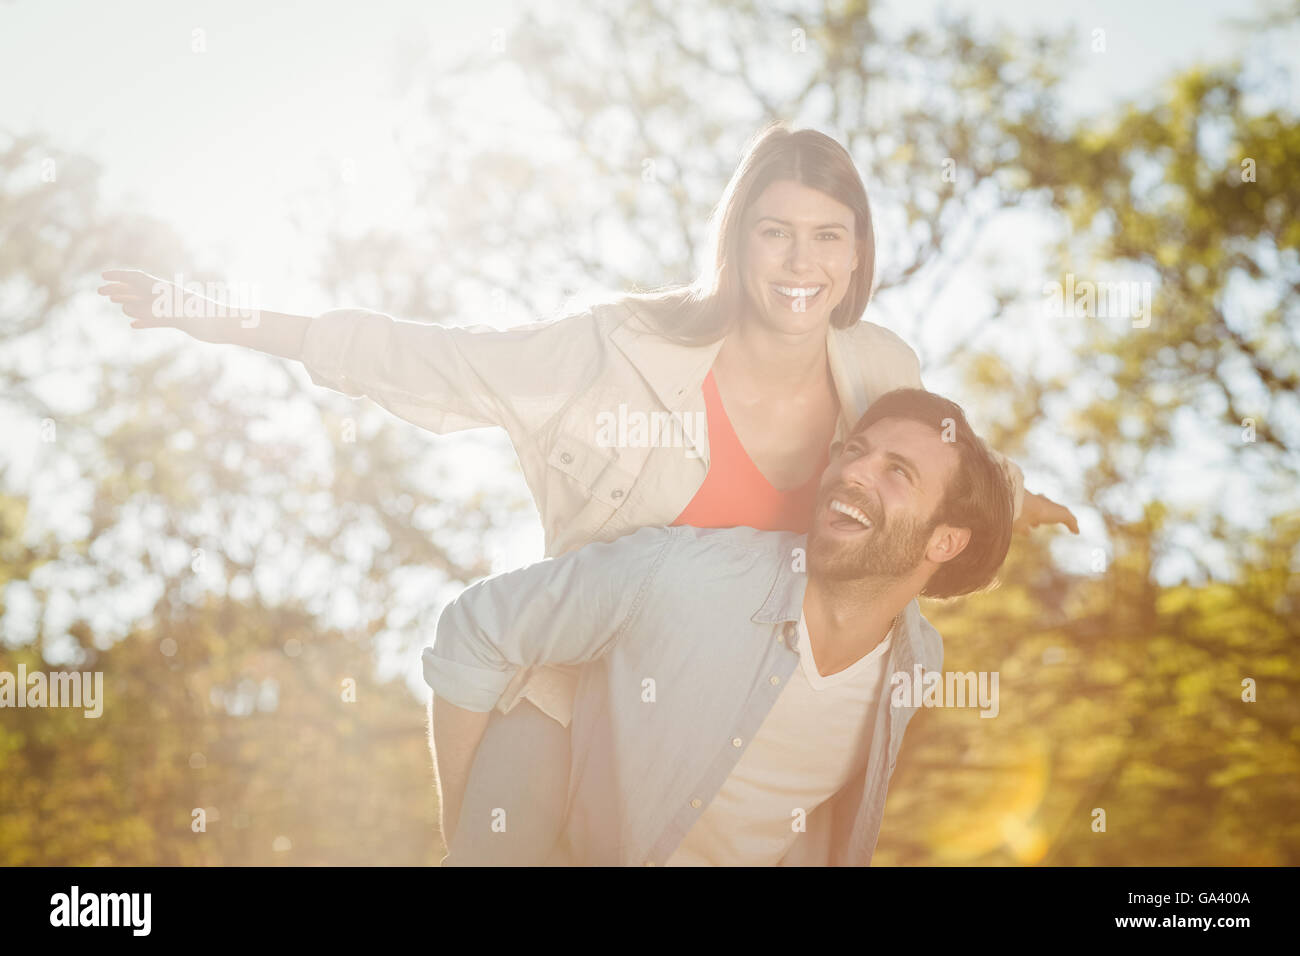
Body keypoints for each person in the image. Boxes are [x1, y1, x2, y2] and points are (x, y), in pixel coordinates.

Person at [98, 122, 1077, 864]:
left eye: (828, 236)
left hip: (718, 709)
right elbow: (439, 358)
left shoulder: (878, 363)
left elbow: (934, 471)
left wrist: (1016, 500)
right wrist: (231, 320)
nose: (800, 263)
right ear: (735, 242)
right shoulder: (619, 351)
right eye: (773, 232)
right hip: (574, 688)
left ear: (856, 255)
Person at [425, 388, 1014, 865]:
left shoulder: (918, 665)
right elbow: (474, 630)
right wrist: (470, 834)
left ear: (946, 541)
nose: (854, 472)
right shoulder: (678, 574)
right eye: (854, 450)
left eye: (898, 472)